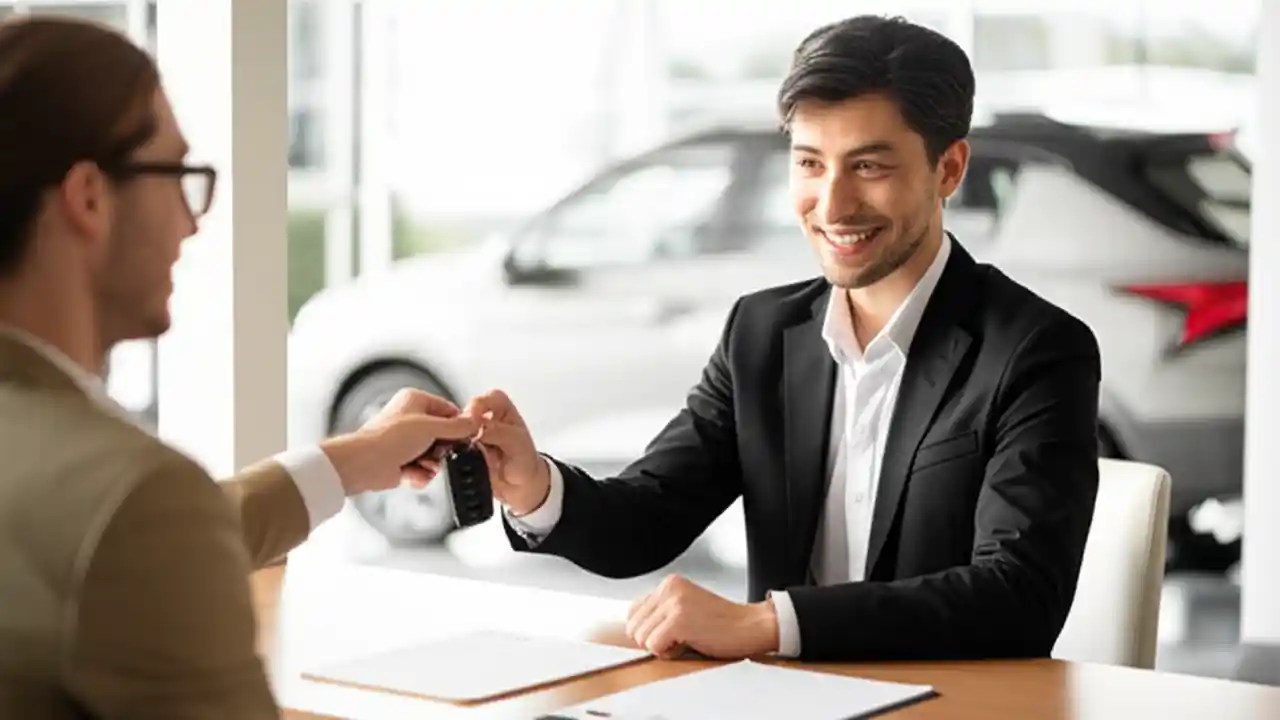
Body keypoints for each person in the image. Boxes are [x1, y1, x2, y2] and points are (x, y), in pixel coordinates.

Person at [470, 15, 1102, 662]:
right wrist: (533, 488)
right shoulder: (762, 334)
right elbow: (647, 518)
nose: (832, 205)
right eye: (810, 164)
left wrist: (770, 625)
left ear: (949, 169)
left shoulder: (1036, 350)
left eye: (868, 166)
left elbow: (1018, 597)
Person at [0, 16, 476, 719]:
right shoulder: (132, 500)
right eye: (178, 177)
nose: (192, 225)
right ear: (89, 199)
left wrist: (349, 463)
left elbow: (144, 546)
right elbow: (140, 535)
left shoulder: (84, 486)